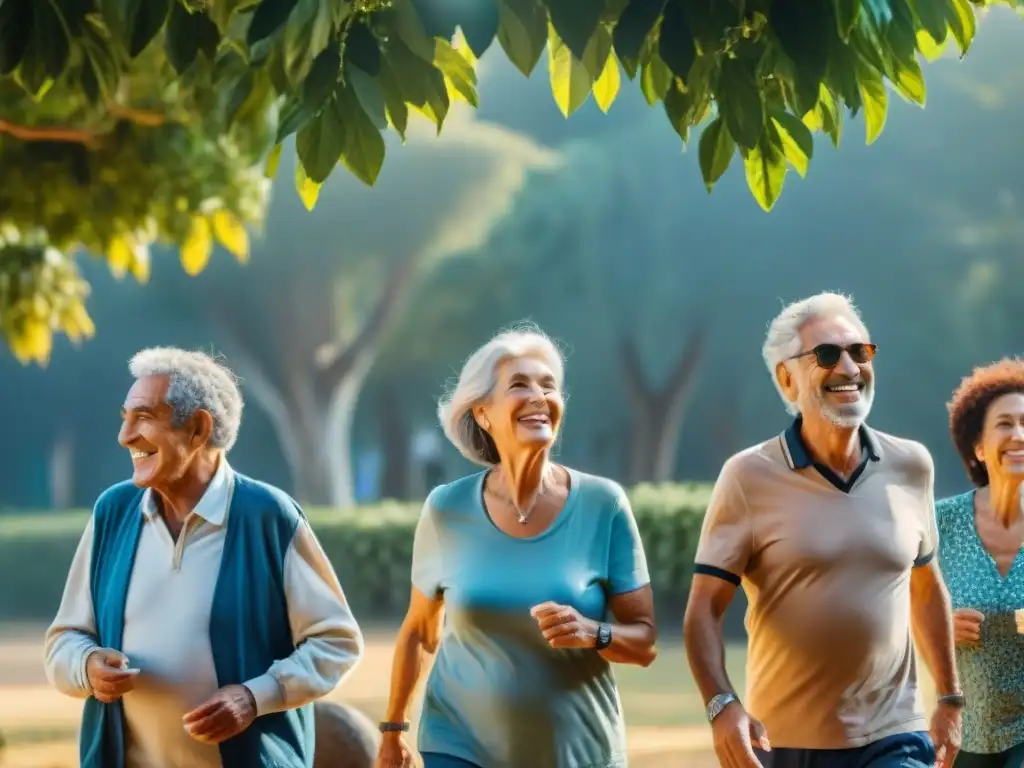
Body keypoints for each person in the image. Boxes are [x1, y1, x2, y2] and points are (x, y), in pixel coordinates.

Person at [44, 347, 365, 768]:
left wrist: (255, 697)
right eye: (124, 417)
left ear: (197, 428)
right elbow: (63, 640)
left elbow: (336, 642)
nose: (125, 435)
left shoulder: (268, 515)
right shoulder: (113, 512)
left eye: (143, 417)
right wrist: (86, 666)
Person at [683, 292, 963, 768]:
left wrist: (950, 698)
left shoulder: (912, 465)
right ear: (787, 379)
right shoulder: (747, 477)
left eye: (860, 351)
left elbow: (925, 587)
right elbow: (703, 613)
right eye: (827, 355)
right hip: (787, 744)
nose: (849, 367)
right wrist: (722, 705)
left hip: (896, 735)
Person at [376, 325, 657, 768]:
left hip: (577, 752)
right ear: (483, 413)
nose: (539, 396)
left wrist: (594, 632)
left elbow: (644, 641)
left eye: (549, 386)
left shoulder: (604, 504)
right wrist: (393, 729)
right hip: (458, 744)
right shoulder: (445, 509)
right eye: (519, 384)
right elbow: (419, 633)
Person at [936, 359, 1024, 767]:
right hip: (967, 735)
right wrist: (939, 627)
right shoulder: (940, 523)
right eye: (1005, 424)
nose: (1019, 435)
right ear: (978, 447)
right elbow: (887, 606)